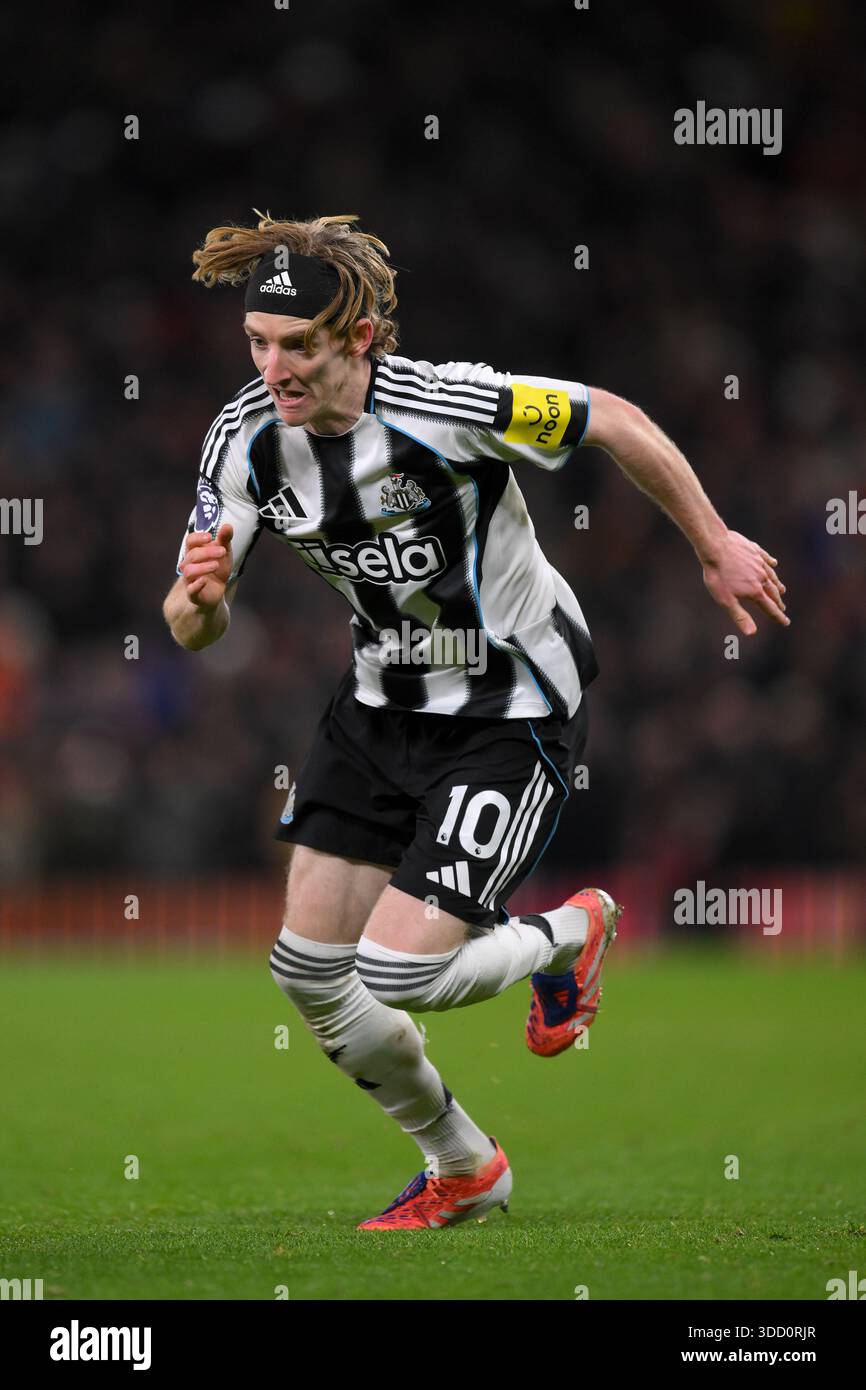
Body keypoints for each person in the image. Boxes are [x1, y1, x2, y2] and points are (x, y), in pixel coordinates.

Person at [163, 213, 788, 1230]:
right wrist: (200, 604)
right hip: (379, 706)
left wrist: (713, 543)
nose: (273, 368)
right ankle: (463, 1164)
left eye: (298, 344)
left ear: (359, 336)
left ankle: (571, 931)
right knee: (307, 973)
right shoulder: (244, 439)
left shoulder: (446, 402)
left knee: (395, 972)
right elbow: (193, 621)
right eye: (257, 343)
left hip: (511, 705)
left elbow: (614, 419)